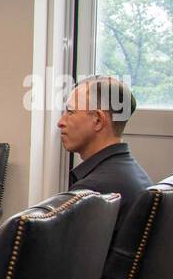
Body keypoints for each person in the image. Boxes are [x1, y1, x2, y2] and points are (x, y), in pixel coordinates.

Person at [59, 75, 151, 229]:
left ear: (98, 121)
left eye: (70, 112)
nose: (61, 122)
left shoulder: (93, 191)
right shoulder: (135, 174)